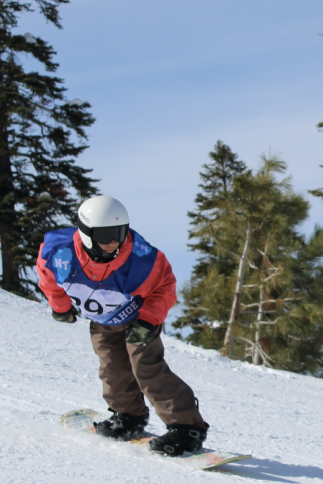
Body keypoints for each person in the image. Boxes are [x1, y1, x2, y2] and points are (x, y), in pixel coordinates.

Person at [36, 195, 210, 456]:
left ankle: (187, 428)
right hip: (102, 322)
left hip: (137, 319)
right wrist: (60, 306)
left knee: (147, 369)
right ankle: (128, 416)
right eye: (106, 235)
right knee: (112, 368)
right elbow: (48, 277)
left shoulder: (140, 257)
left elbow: (165, 287)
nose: (115, 242)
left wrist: (149, 320)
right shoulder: (58, 252)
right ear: (87, 234)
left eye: (119, 233)